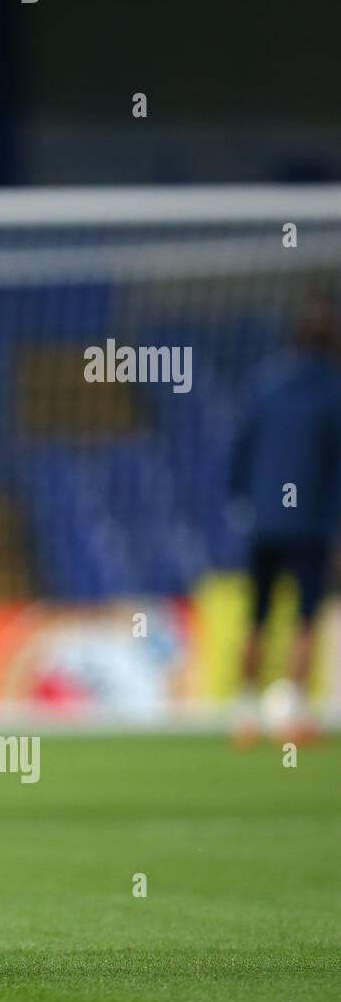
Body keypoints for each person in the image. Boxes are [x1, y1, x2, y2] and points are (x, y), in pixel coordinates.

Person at [229, 292, 341, 745]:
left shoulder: (265, 381)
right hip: (310, 521)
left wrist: (241, 501)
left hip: (263, 519)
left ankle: (245, 712)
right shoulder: (334, 389)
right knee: (305, 617)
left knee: (255, 616)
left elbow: (241, 449)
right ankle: (293, 714)